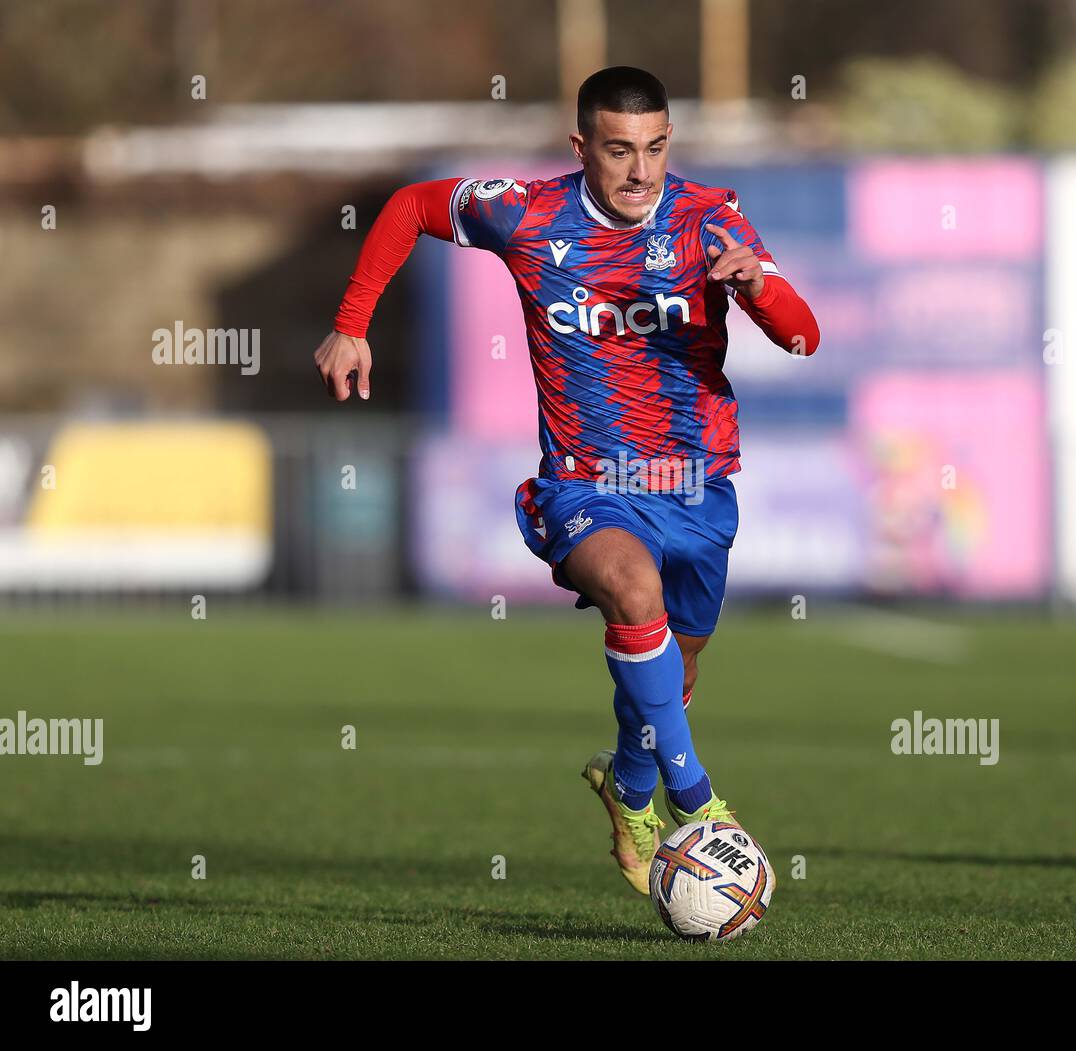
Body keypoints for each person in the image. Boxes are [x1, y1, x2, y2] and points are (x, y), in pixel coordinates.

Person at [313, 67, 820, 890]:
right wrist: (351, 324)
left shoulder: (709, 219)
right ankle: (699, 803)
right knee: (631, 590)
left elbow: (804, 336)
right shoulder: (525, 212)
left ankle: (629, 786)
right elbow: (409, 206)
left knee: (672, 676)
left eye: (656, 148)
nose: (641, 171)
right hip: (585, 483)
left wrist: (759, 289)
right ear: (581, 147)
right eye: (620, 151)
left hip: (697, 488)